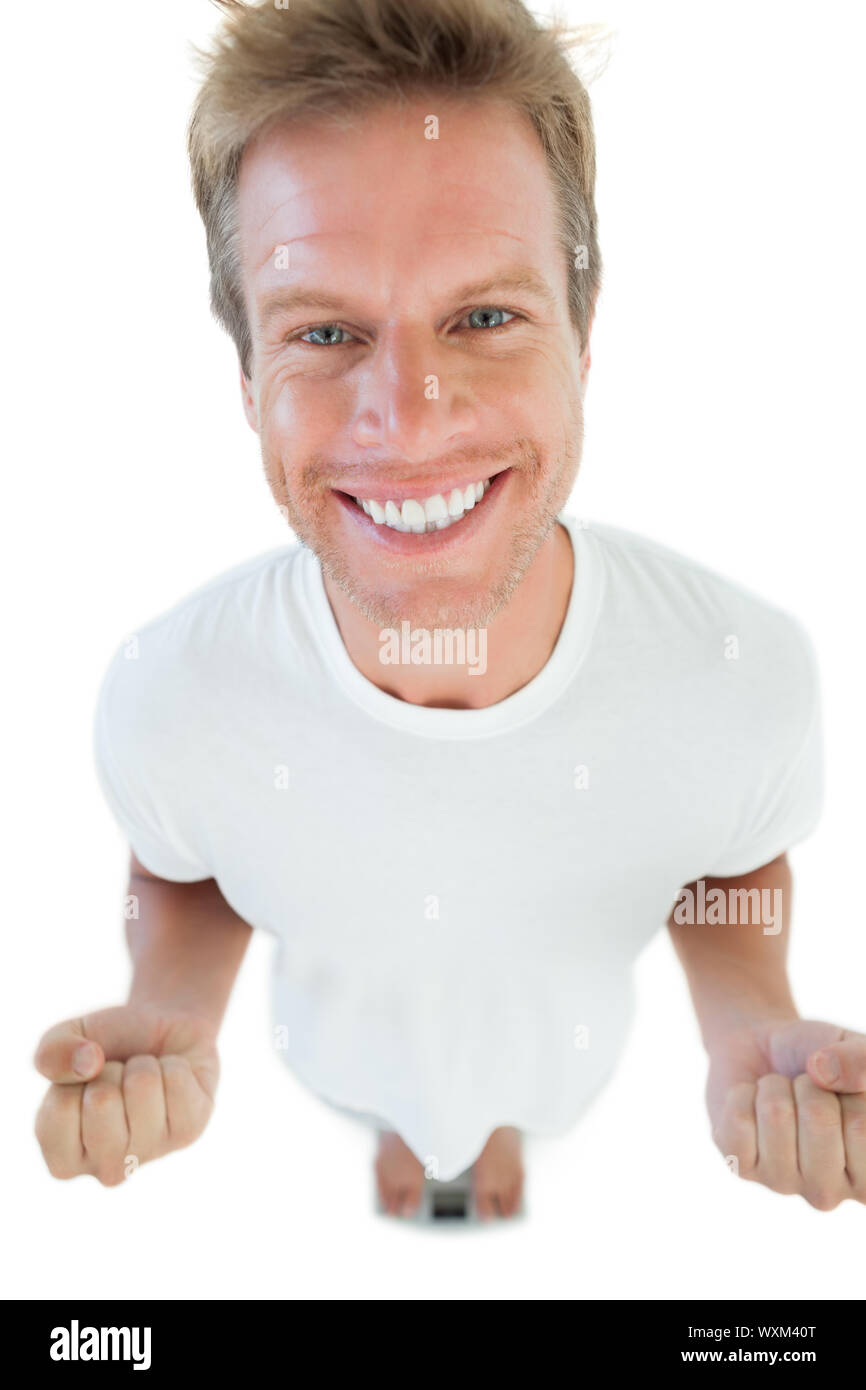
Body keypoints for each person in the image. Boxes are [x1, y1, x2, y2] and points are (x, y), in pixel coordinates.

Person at [33, 0, 866, 1219]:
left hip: (562, 1052)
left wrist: (748, 1018)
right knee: (399, 1123)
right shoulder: (167, 691)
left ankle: (485, 1145)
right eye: (323, 331)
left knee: (503, 1121)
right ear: (249, 383)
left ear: (582, 338)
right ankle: (416, 1146)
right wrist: (174, 1000)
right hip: (337, 1046)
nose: (409, 418)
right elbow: (183, 863)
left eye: (482, 317)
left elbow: (726, 853)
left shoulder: (743, 673)